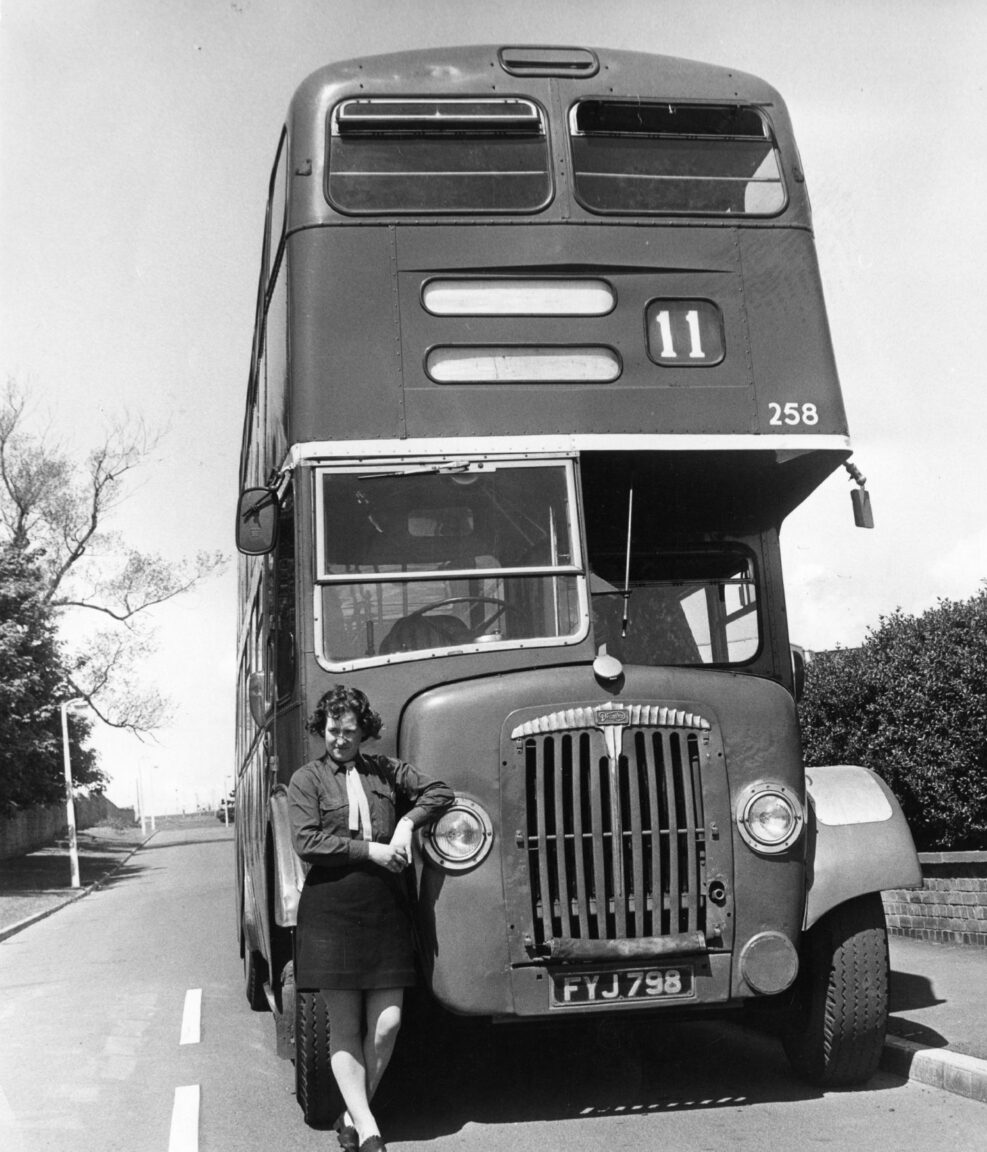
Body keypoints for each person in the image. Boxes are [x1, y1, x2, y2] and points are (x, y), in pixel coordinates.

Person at [287, 685, 454, 1152]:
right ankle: (369, 1129)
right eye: (331, 730)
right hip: (332, 909)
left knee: (388, 1024)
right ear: (322, 729)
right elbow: (306, 841)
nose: (339, 739)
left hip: (385, 908)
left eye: (348, 731)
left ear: (364, 732)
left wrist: (406, 822)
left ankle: (352, 1114)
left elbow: (440, 792)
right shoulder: (307, 779)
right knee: (344, 1028)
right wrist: (371, 851)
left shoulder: (385, 770)